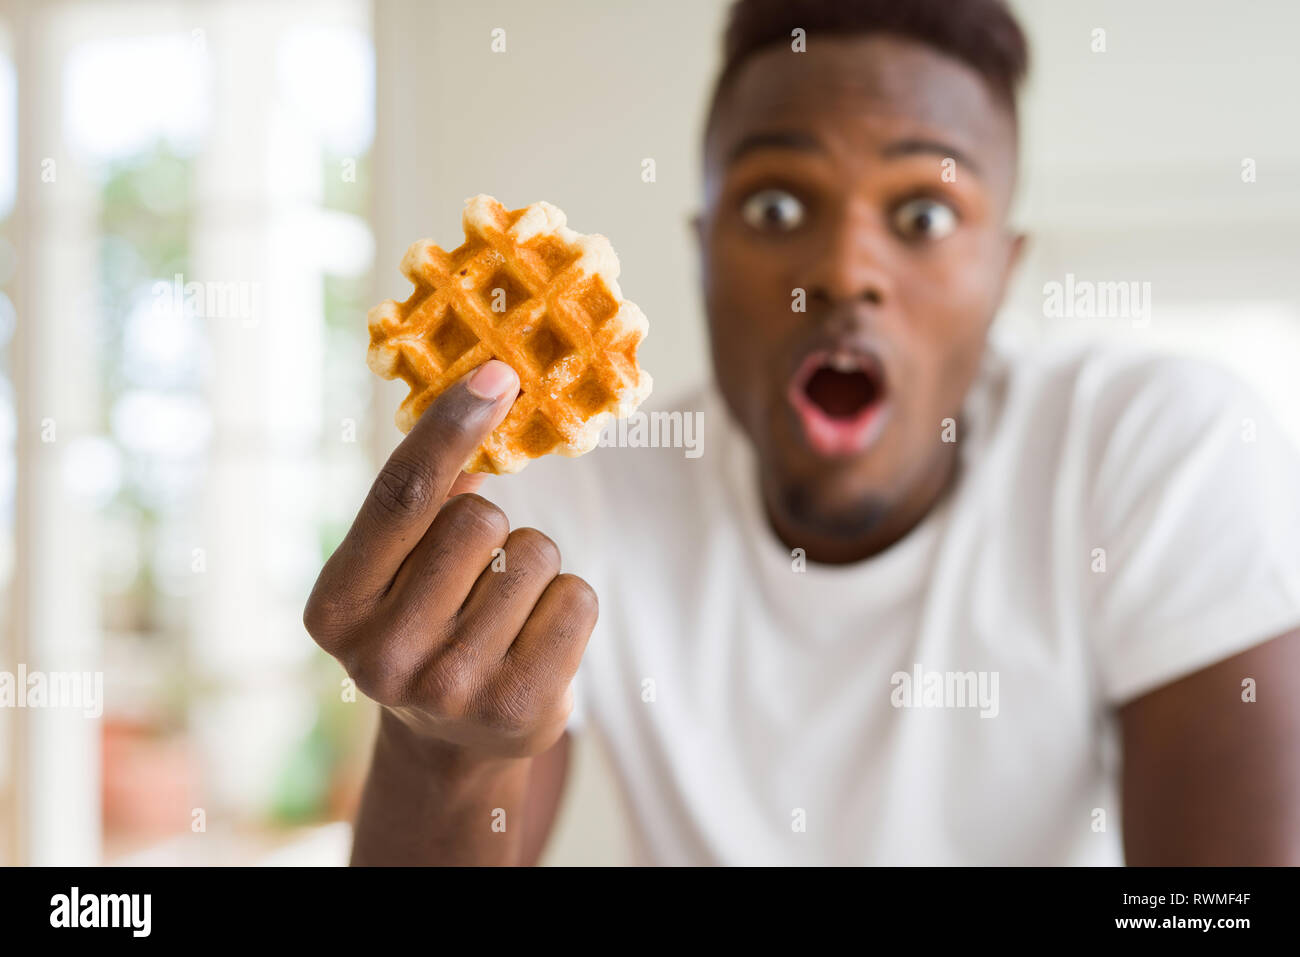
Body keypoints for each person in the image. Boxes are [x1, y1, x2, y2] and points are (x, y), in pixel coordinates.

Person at [303, 0, 1300, 865]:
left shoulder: (1151, 449)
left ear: (1005, 270)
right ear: (700, 252)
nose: (844, 270)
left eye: (921, 213)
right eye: (776, 203)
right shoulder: (575, 497)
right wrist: (435, 747)